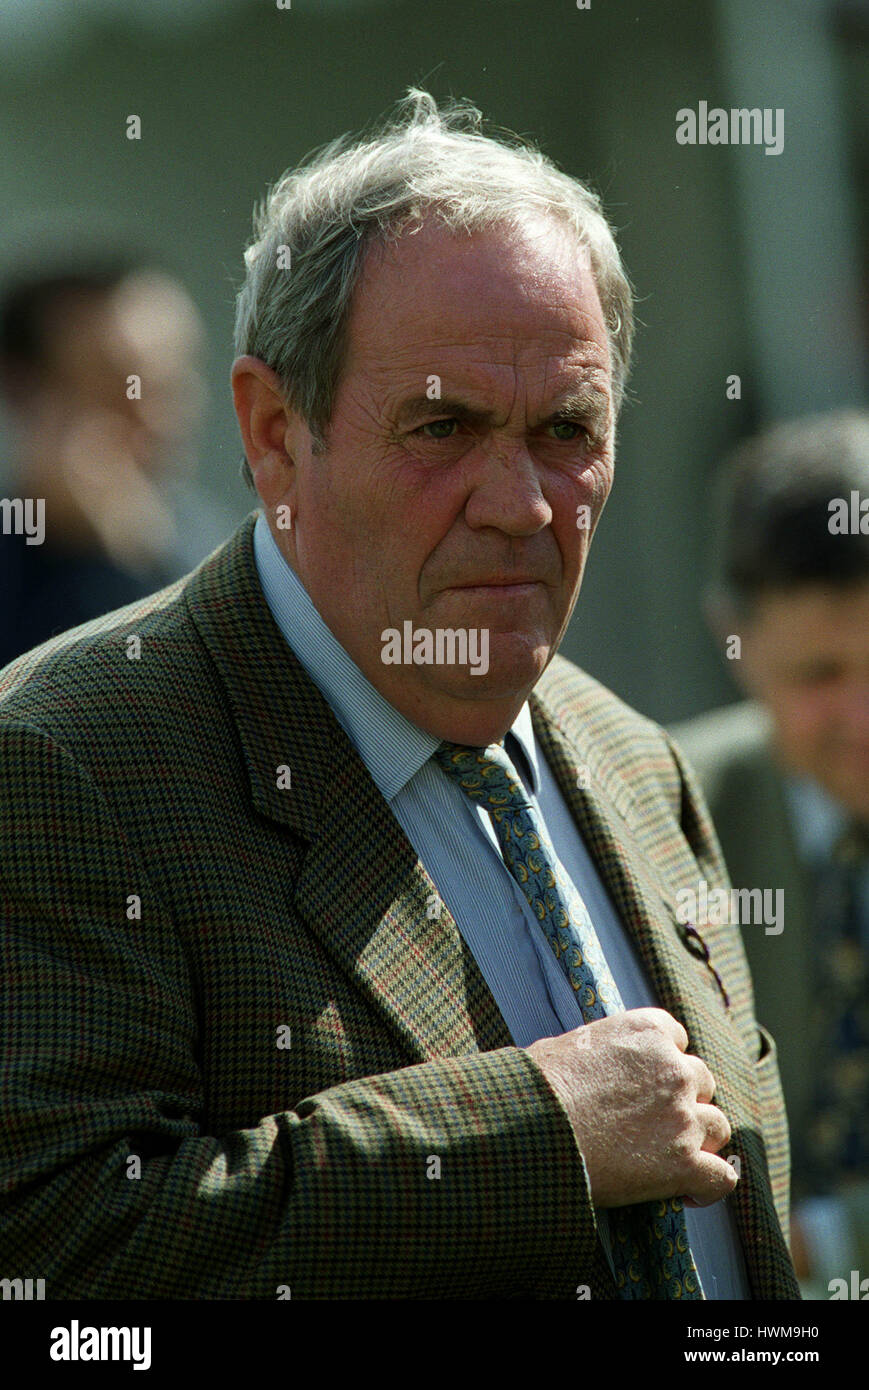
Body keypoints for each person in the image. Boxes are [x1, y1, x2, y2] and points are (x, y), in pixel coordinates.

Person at [0, 90, 798, 1301]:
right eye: (442, 426)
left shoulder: (632, 759)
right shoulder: (68, 761)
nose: (521, 503)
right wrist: (541, 1130)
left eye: (566, 428)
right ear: (274, 432)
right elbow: (59, 1263)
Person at [674, 411, 869, 1298]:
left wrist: (828, 1246)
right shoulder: (659, 816)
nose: (864, 722)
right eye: (820, 676)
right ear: (736, 643)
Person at [0, 251, 226, 667]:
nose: (161, 411)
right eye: (126, 383)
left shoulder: (208, 543)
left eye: (174, 378)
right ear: (23, 392)